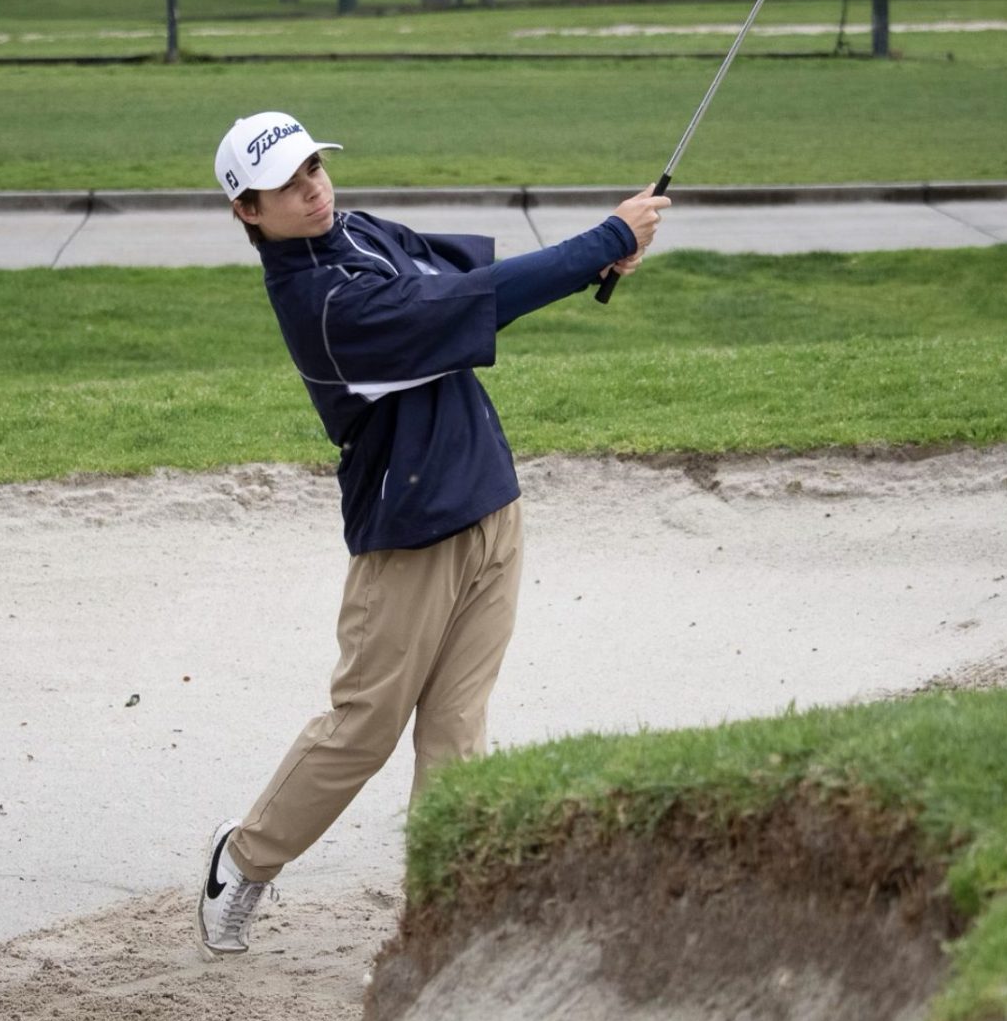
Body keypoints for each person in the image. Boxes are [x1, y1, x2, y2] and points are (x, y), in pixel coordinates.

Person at [197, 110, 669, 956]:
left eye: (315, 168)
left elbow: (468, 268)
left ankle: (444, 916)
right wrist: (601, 236)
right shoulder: (327, 305)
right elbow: (464, 301)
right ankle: (245, 857)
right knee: (364, 729)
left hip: (490, 500)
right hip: (407, 534)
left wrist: (599, 252)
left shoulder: (360, 233)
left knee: (458, 727)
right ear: (248, 213)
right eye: (288, 186)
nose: (313, 189)